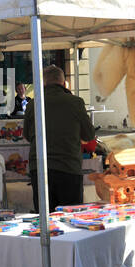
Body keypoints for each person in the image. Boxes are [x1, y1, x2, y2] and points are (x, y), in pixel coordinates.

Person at [24, 65, 94, 211]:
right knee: (71, 219)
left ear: (44, 83)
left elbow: (26, 135)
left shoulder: (32, 104)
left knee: (45, 219)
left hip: (40, 169)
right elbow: (89, 135)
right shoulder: (75, 102)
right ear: (63, 83)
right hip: (68, 167)